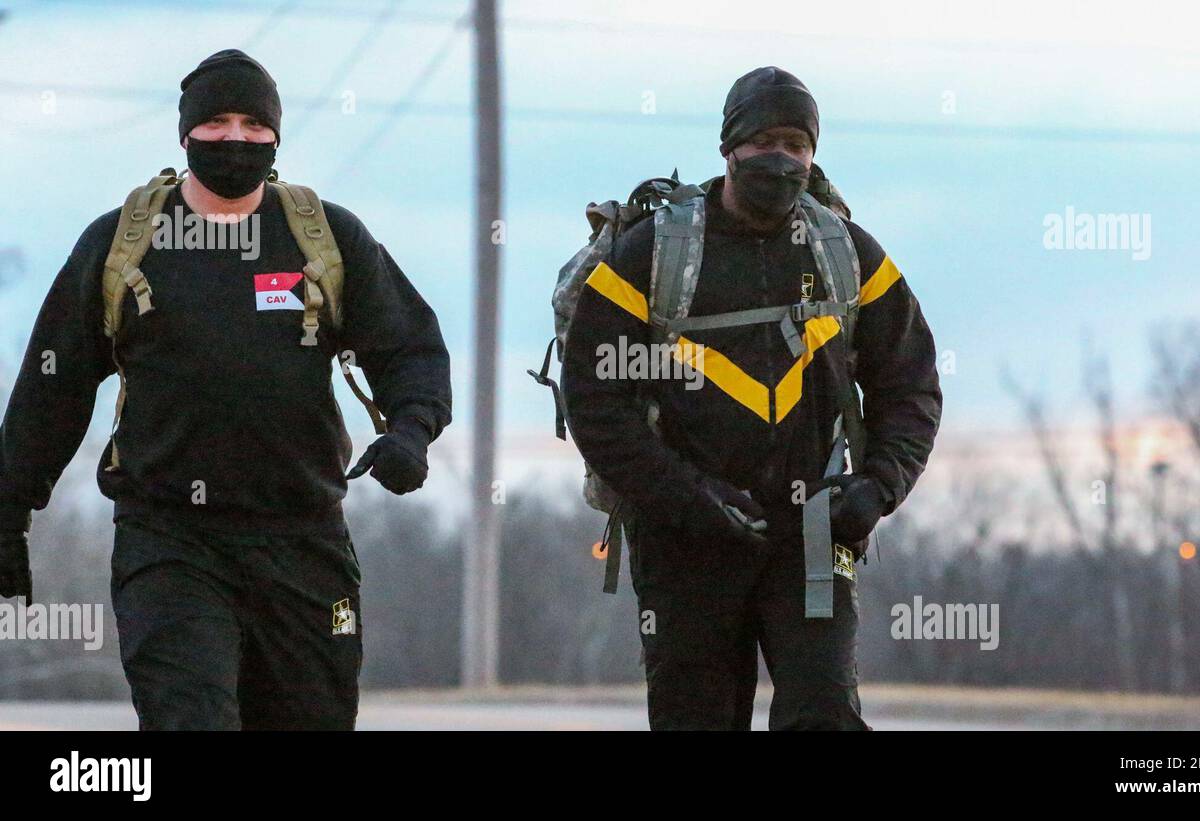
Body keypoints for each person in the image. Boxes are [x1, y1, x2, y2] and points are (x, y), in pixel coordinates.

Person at [0, 49, 453, 730]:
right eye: (216, 122)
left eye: (252, 122)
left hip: (303, 538)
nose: (235, 138)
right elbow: (51, 388)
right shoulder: (123, 244)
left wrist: (410, 432)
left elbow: (410, 349)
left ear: (276, 135)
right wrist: (9, 511)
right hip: (169, 539)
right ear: (184, 134)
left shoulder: (325, 237)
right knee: (191, 719)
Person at [561, 66, 942, 730]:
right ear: (729, 148)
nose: (782, 158)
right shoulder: (653, 256)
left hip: (814, 535)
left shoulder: (846, 252)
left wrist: (878, 485)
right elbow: (594, 396)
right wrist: (686, 494)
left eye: (797, 144)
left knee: (822, 712)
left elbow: (910, 381)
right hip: (686, 541)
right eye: (765, 140)